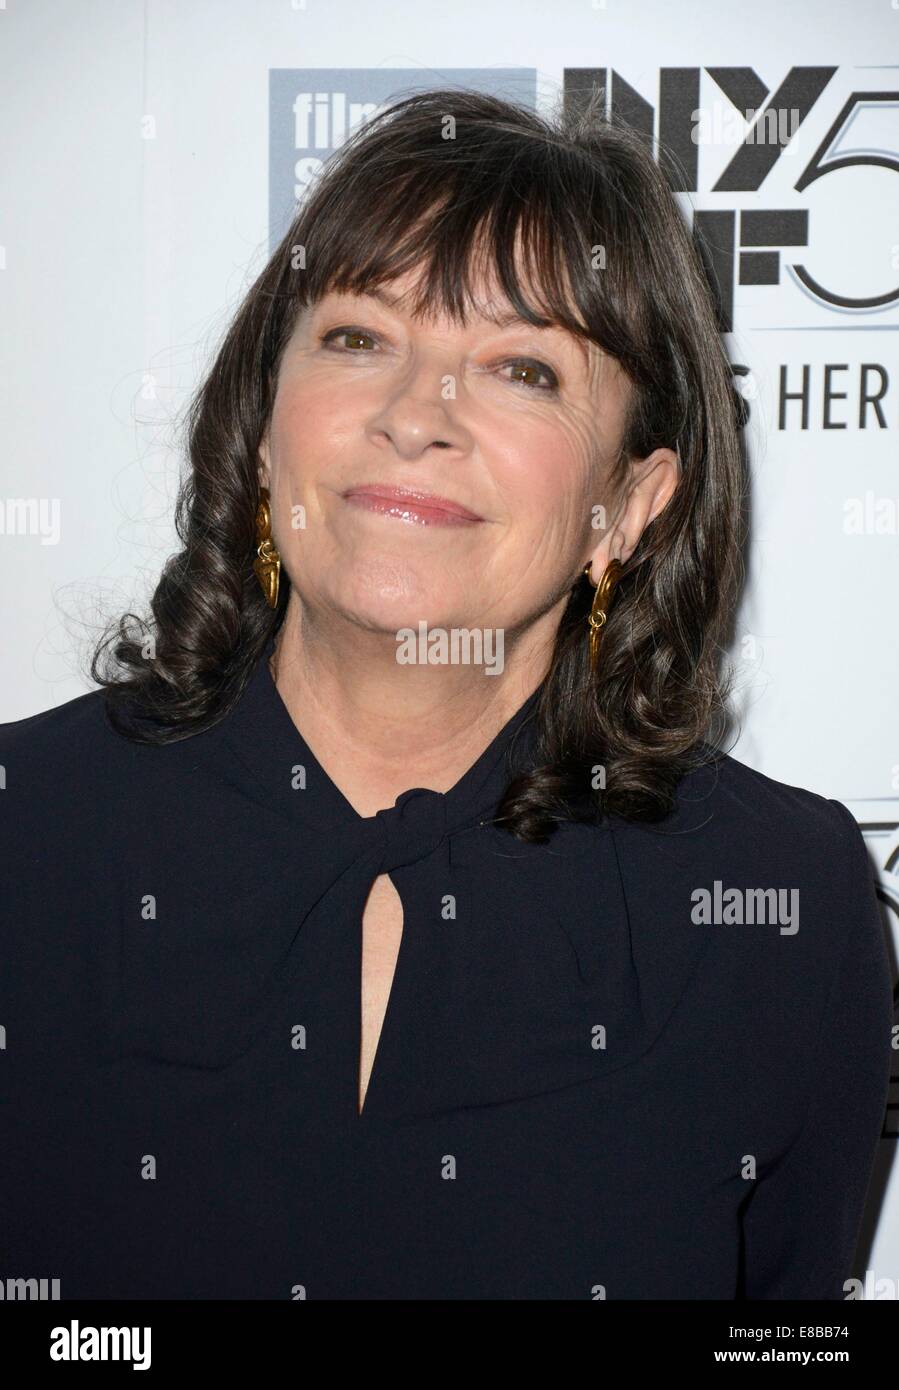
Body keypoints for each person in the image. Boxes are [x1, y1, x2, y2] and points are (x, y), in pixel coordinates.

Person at [0, 87, 891, 1300]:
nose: (415, 416)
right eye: (361, 337)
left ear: (628, 505)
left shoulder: (786, 906)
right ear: (265, 429)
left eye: (521, 366)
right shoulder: (25, 828)